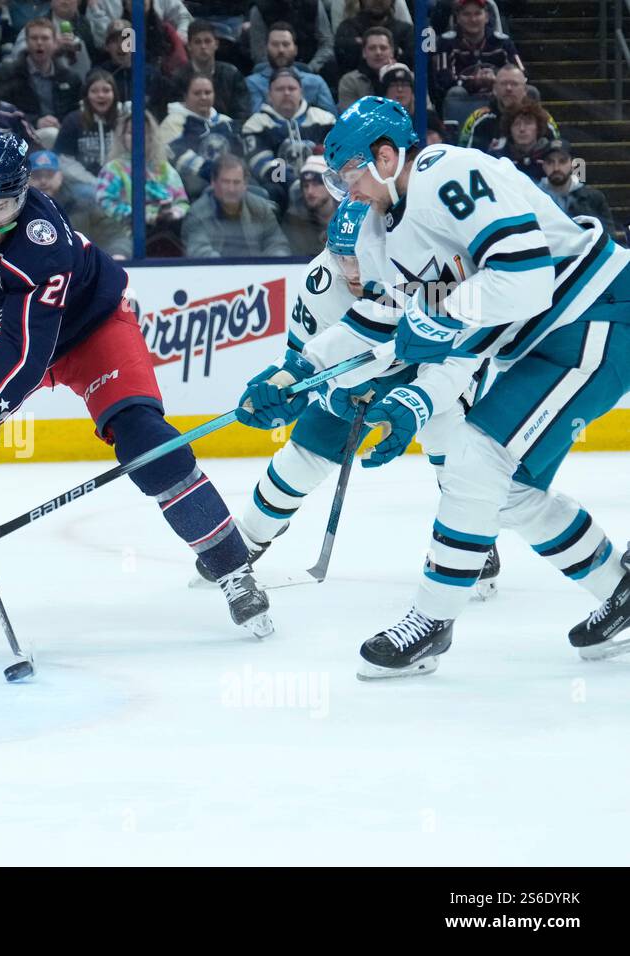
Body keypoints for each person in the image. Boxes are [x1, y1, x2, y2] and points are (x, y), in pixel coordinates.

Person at [253, 95, 630, 676]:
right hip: (542, 341)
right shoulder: (380, 231)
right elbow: (385, 321)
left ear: (384, 155)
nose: (344, 189)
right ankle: (620, 589)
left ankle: (432, 621)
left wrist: (441, 318)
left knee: (476, 462)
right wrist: (297, 371)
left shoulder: (445, 172)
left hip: (595, 311)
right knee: (508, 492)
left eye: (348, 171)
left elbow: (525, 277)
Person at [0, 128, 273, 637]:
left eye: (0, 208)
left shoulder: (42, 240)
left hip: (90, 330)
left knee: (148, 444)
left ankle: (234, 571)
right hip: (6, 339)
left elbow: (30, 350)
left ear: (22, 196)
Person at [223, 197, 501, 597]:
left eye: (359, 257)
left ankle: (473, 538)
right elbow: (305, 365)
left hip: (426, 366)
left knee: (447, 430)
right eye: (341, 258)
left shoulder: (423, 264)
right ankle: (245, 541)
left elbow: (456, 360)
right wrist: (331, 396)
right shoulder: (317, 287)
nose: (353, 272)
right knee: (303, 458)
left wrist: (415, 398)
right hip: (350, 381)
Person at [95, 110, 190, 257]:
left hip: (165, 231)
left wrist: (173, 213)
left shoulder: (164, 168)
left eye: (143, 132)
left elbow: (182, 202)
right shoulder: (113, 169)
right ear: (122, 137)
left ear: (151, 137)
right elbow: (105, 203)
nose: (137, 137)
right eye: (131, 132)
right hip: (126, 232)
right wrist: (143, 216)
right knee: (119, 254)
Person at [242, 68, 337, 209]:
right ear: (269, 95)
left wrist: (313, 180)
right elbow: (262, 164)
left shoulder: (325, 119)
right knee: (271, 190)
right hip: (281, 188)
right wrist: (295, 183)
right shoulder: (256, 124)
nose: (286, 93)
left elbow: (337, 156)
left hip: (322, 182)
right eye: (280, 89)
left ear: (301, 92)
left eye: (291, 88)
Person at [181, 153, 292, 258]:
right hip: (216, 275)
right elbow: (199, 253)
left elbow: (277, 243)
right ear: (213, 183)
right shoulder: (197, 214)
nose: (231, 189)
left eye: (236, 182)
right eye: (226, 182)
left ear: (245, 184)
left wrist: (272, 263)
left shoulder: (261, 208)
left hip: (259, 274)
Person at [0, 17, 81, 132]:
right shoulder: (9, 73)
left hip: (62, 133)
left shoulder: (70, 78)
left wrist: (62, 124)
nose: (39, 43)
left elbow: (77, 112)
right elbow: (2, 111)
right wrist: (35, 122)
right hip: (22, 134)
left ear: (55, 42)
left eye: (45, 38)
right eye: (34, 38)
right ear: (26, 41)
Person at [246, 22, 338, 115]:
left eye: (286, 44)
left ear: (295, 50)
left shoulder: (316, 83)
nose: (281, 50)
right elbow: (254, 120)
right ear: (266, 49)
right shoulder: (252, 83)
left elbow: (332, 120)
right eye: (275, 44)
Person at [53, 69, 120, 177]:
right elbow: (64, 161)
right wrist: (94, 183)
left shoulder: (124, 120)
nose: (101, 95)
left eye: (106, 90)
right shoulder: (72, 120)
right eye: (94, 91)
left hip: (117, 181)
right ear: (86, 95)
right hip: (81, 181)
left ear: (114, 94)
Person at [539, 139, 614, 236]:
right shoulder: (534, 196)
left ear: (572, 164)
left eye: (562, 161)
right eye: (550, 162)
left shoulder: (593, 197)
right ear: (543, 165)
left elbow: (609, 236)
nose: (556, 168)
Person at [281, 153, 336, 254]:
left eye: (316, 184)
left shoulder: (348, 213)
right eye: (305, 186)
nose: (310, 191)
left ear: (330, 185)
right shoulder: (295, 219)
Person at [488, 99, 552, 182]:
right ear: (509, 129)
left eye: (528, 123)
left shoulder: (551, 156)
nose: (522, 129)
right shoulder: (497, 157)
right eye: (516, 124)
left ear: (538, 127)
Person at [337, 26, 397, 111]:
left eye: (383, 48)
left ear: (392, 52)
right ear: (364, 52)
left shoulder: (407, 79)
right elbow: (351, 118)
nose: (378, 52)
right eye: (372, 48)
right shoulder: (350, 81)